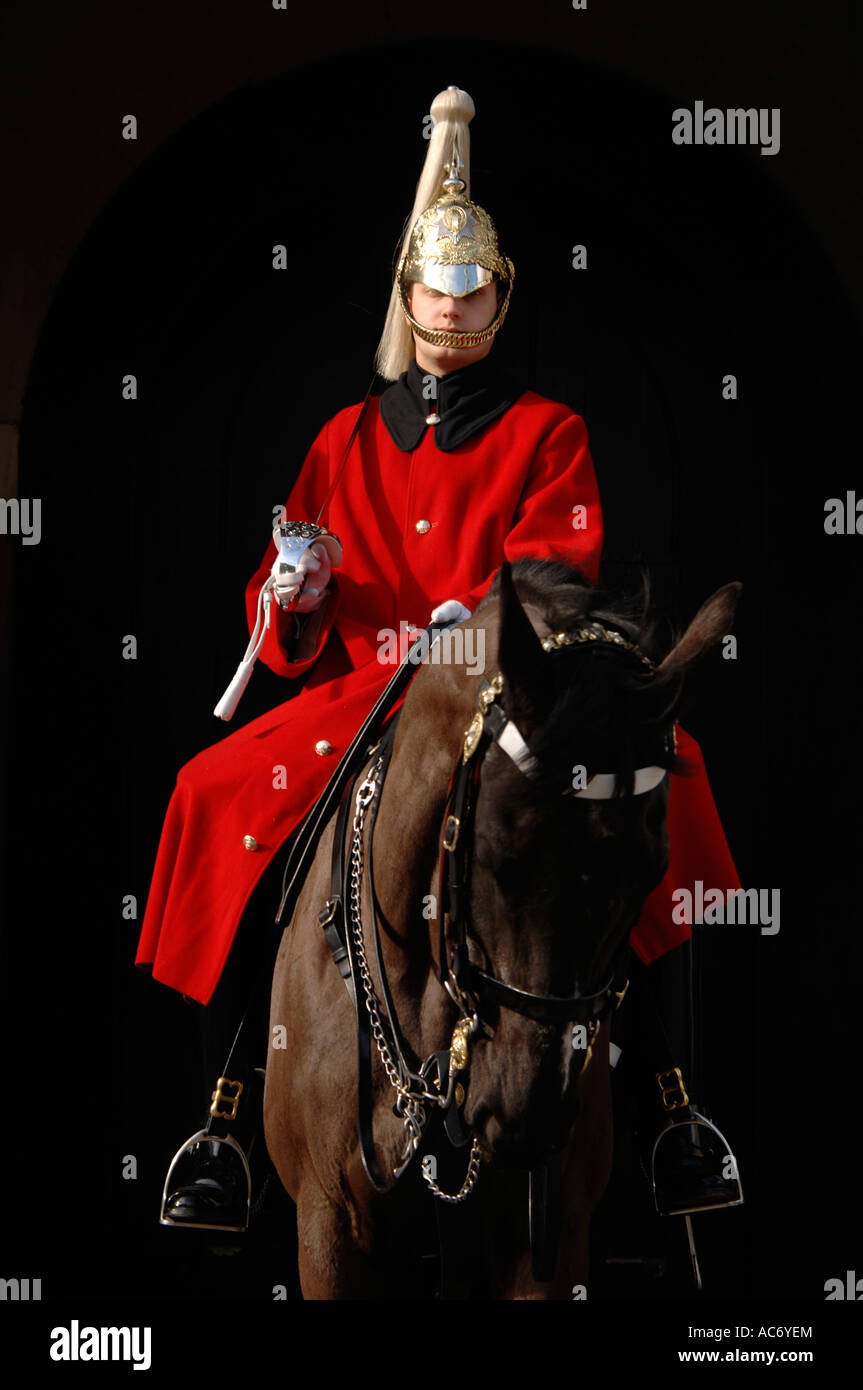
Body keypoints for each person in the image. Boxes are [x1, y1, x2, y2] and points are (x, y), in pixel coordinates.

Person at [138, 86, 742, 1233]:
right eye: (432, 287)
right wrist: (296, 596)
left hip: (496, 692)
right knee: (207, 793)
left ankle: (673, 1109)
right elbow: (287, 633)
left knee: (682, 786)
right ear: (406, 298)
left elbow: (551, 579)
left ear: (500, 299)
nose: (450, 305)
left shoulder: (544, 431)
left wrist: (471, 620)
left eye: (470, 290)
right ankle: (219, 1116)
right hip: (365, 694)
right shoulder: (342, 438)